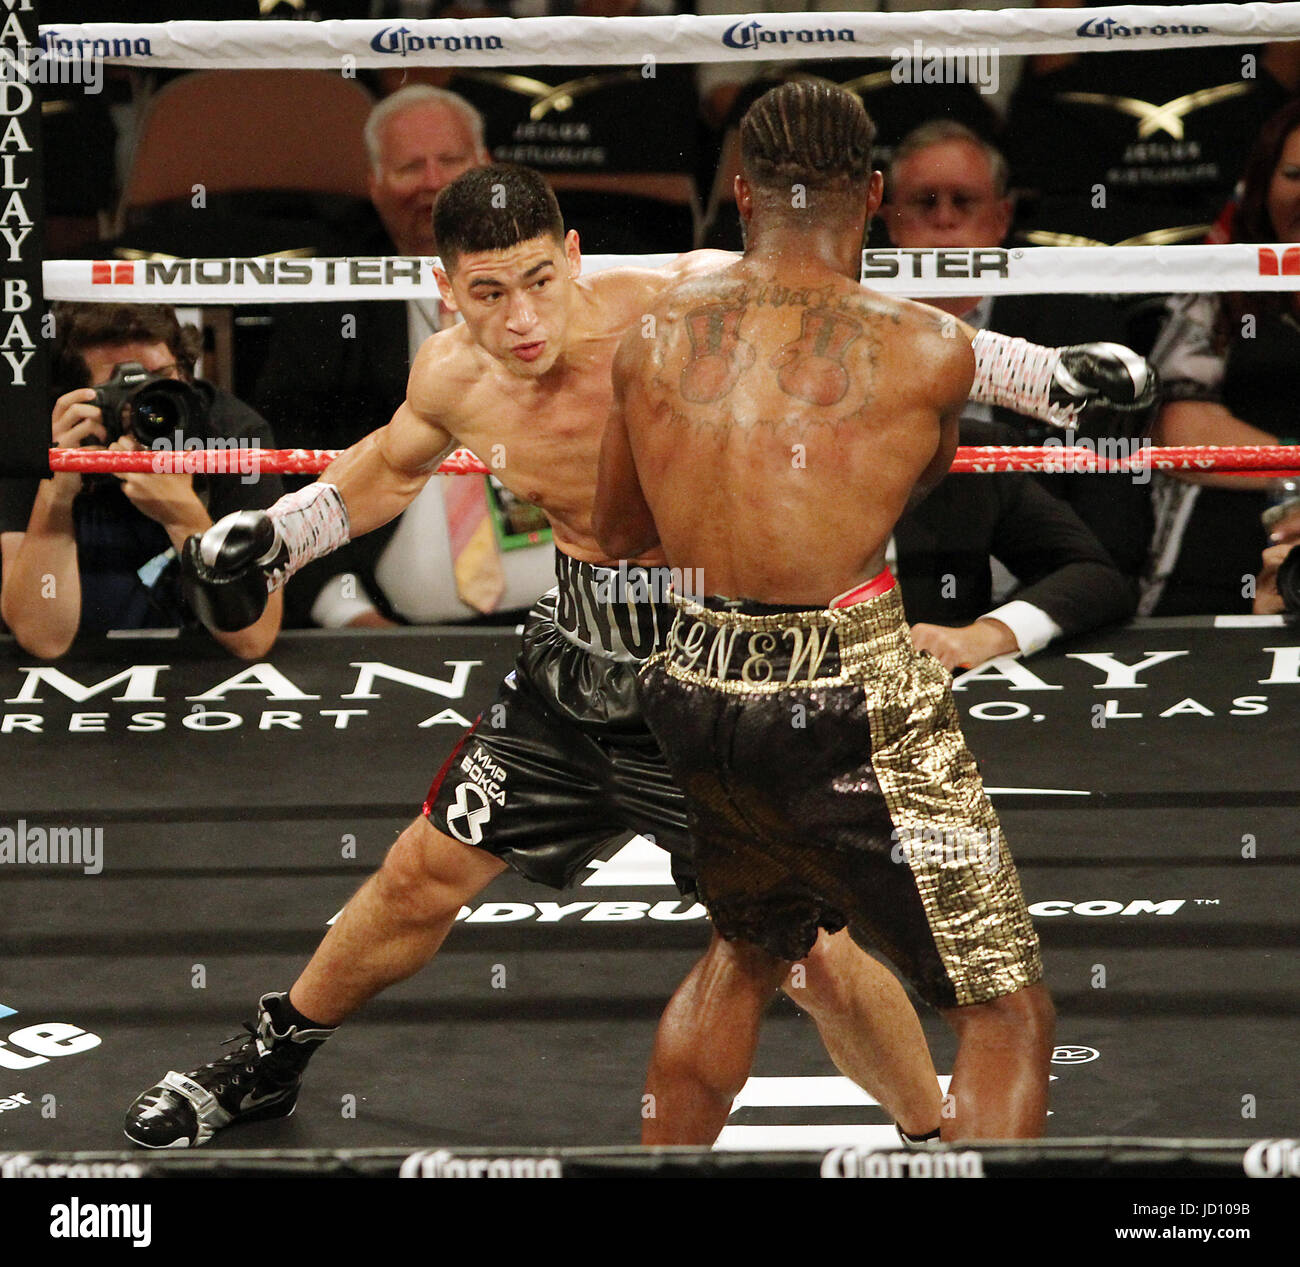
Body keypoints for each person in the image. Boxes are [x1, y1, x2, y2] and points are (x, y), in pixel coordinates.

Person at [124, 160, 1144, 1150]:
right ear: (444, 291)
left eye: (538, 280)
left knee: (806, 955)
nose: (522, 318)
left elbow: (867, 323)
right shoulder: (450, 373)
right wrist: (281, 534)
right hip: (574, 665)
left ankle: (929, 1135)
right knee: (418, 874)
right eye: (488, 292)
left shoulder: (685, 297)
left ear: (572, 253)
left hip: (714, 671)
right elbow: (390, 467)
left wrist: (1045, 377)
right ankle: (272, 1055)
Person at [595, 81, 1055, 1142]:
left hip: (692, 674)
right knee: (1004, 1011)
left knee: (751, 951)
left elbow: (621, 533)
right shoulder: (931, 347)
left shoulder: (649, 339)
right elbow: (906, 484)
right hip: (846, 684)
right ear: (879, 196)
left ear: (743, 193)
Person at [249, 84, 557, 630]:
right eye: (411, 166)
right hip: (392, 629)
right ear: (374, 185)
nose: (434, 182)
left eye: (451, 160)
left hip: (574, 617)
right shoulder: (329, 300)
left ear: (486, 166)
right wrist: (347, 615)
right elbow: (292, 460)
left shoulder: (555, 282)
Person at [886, 119, 1153, 597]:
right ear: (889, 220)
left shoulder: (1075, 326)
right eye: (925, 202)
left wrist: (1060, 604)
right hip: (888, 591)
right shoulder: (847, 328)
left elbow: (1113, 521)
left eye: (962, 202)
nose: (944, 220)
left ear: (1001, 218)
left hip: (1046, 592)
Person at [0, 303, 283, 660]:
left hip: (204, 670)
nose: (145, 406)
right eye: (120, 388)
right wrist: (57, 490)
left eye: (160, 377)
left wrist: (183, 517)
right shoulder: (38, 437)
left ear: (185, 372)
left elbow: (253, 637)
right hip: (85, 665)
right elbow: (43, 639)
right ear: (76, 395)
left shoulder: (234, 435)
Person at [1143, 98, 1300, 616]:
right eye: (1294, 174)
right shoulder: (1219, 290)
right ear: (1262, 186)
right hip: (1212, 559)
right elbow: (1182, 432)